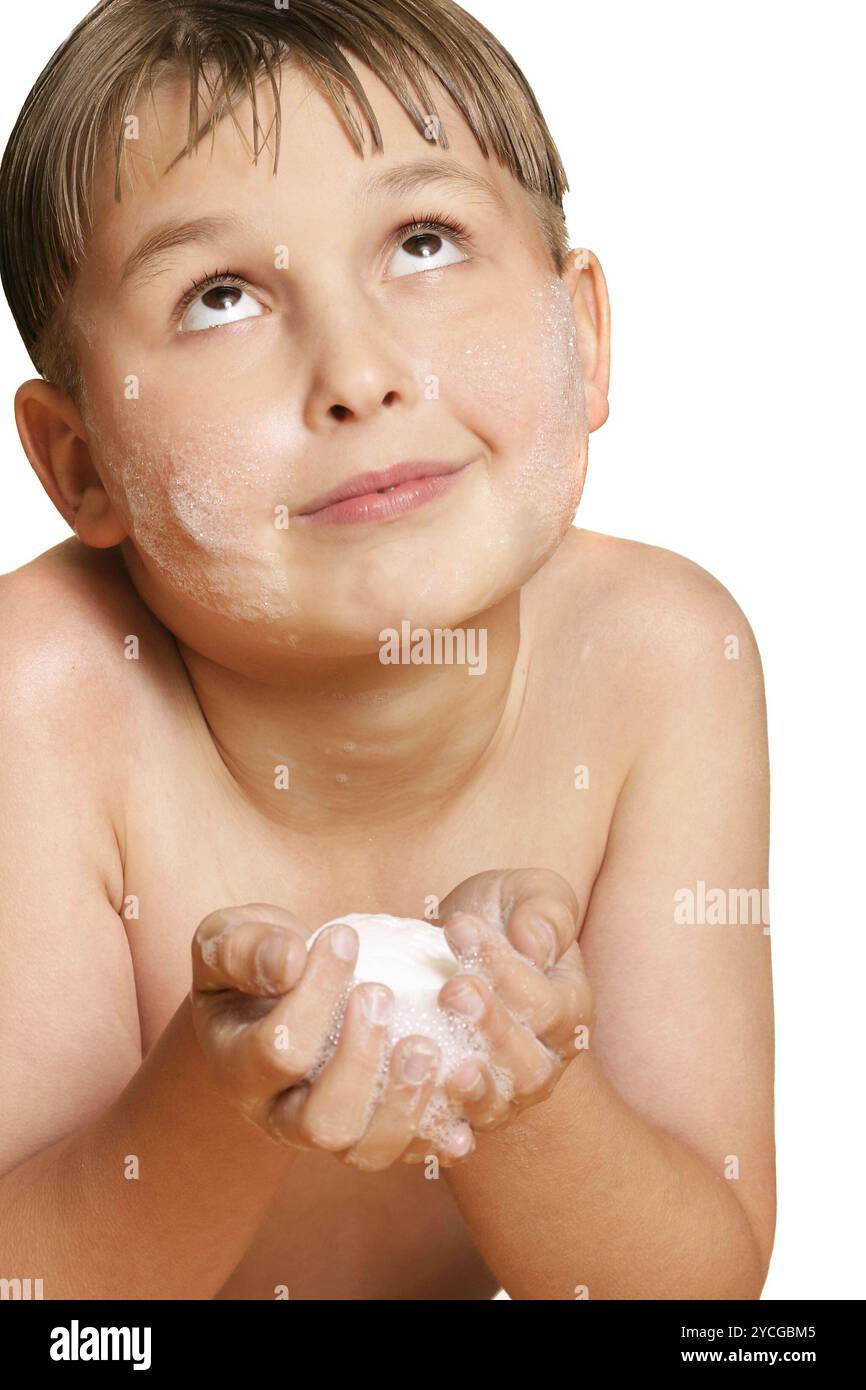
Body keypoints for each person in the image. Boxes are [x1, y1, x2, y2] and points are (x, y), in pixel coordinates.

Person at [0, 0, 774, 1300]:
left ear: (580, 337)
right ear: (82, 464)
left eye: (424, 240)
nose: (355, 372)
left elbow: (700, 1300)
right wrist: (213, 1088)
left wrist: (524, 1091)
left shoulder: (662, 661)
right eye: (221, 295)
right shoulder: (41, 701)